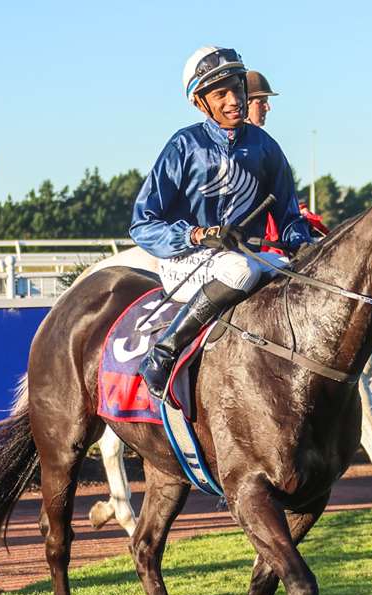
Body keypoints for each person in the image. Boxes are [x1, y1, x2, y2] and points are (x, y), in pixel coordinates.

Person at [131, 47, 311, 398]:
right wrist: (198, 234)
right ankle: (162, 354)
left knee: (291, 272)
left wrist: (304, 244)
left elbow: (289, 218)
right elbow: (142, 224)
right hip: (185, 260)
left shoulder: (265, 147)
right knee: (239, 271)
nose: (235, 100)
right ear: (201, 102)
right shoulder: (184, 145)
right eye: (221, 94)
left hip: (244, 257)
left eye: (238, 89)